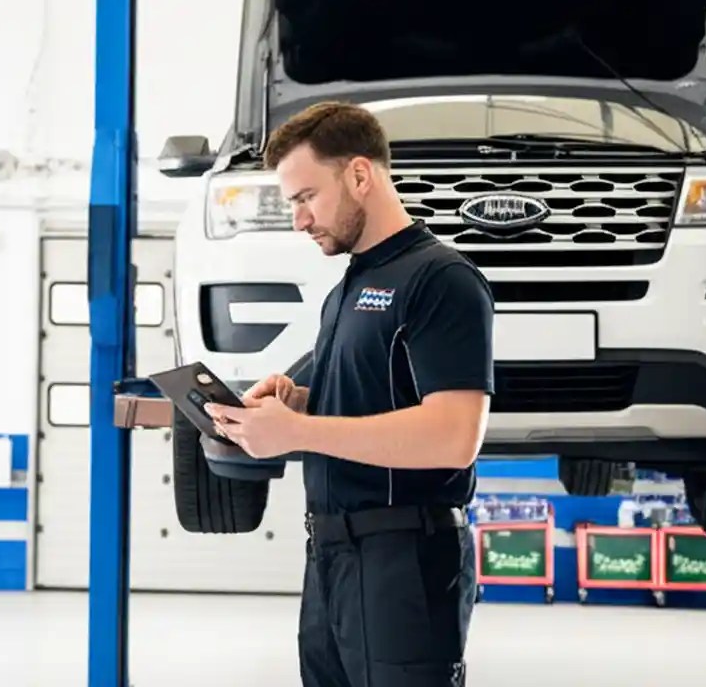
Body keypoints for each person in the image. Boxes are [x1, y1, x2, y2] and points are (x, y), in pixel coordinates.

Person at [204, 101, 495, 687]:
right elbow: (371, 400)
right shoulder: (348, 291)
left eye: (306, 196)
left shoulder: (442, 281)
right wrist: (299, 402)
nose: (299, 220)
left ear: (360, 176)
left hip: (404, 560)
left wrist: (299, 433)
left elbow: (455, 435)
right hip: (331, 557)